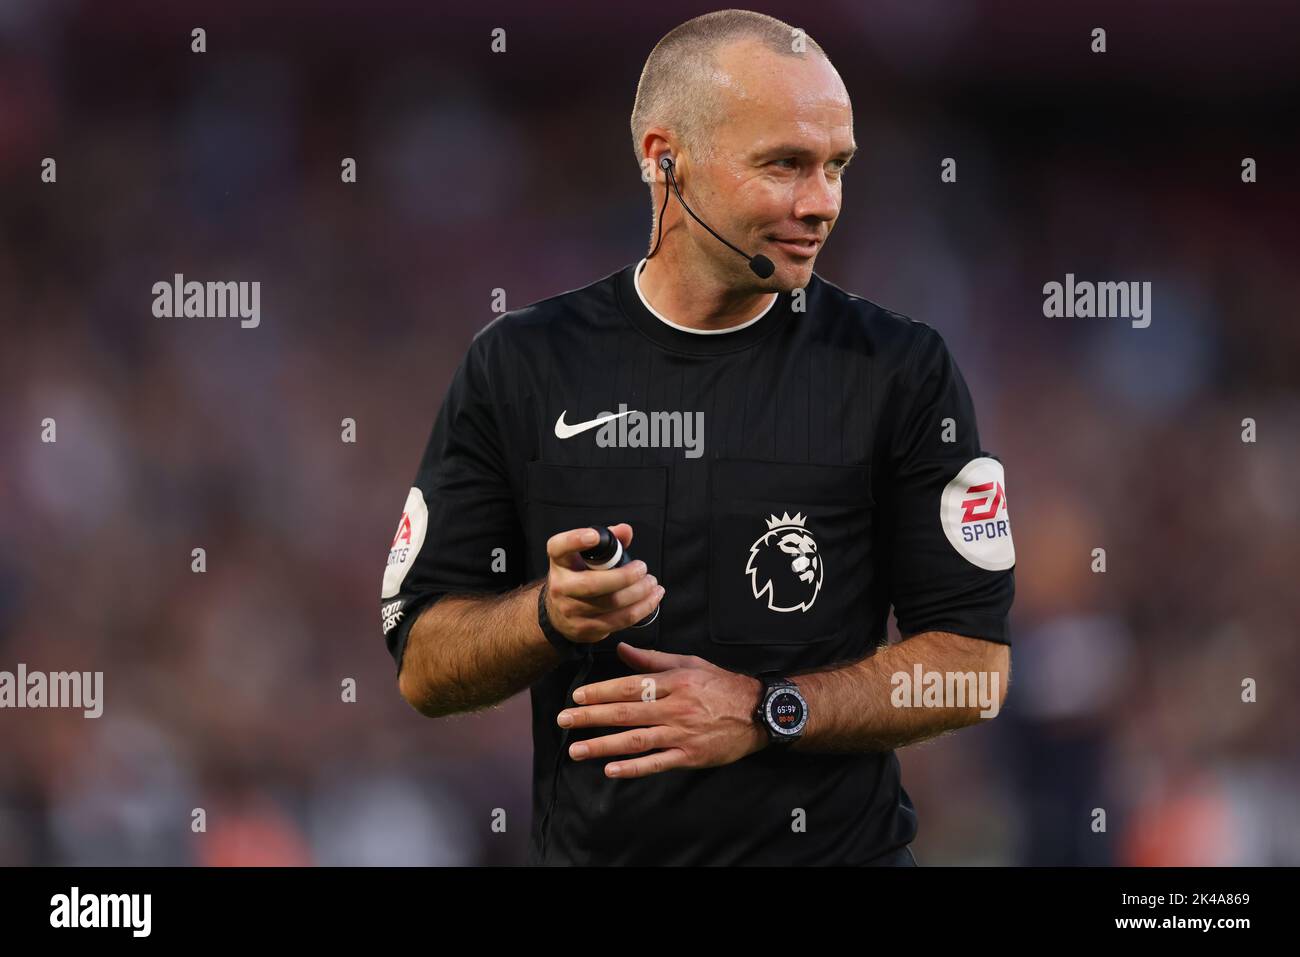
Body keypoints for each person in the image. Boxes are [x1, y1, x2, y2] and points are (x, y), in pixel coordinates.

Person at [380, 9, 1015, 865]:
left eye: (837, 166)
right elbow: (422, 666)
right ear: (663, 159)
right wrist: (547, 614)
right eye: (784, 164)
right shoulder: (522, 365)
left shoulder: (899, 368)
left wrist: (766, 710)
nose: (820, 202)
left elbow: (976, 668)